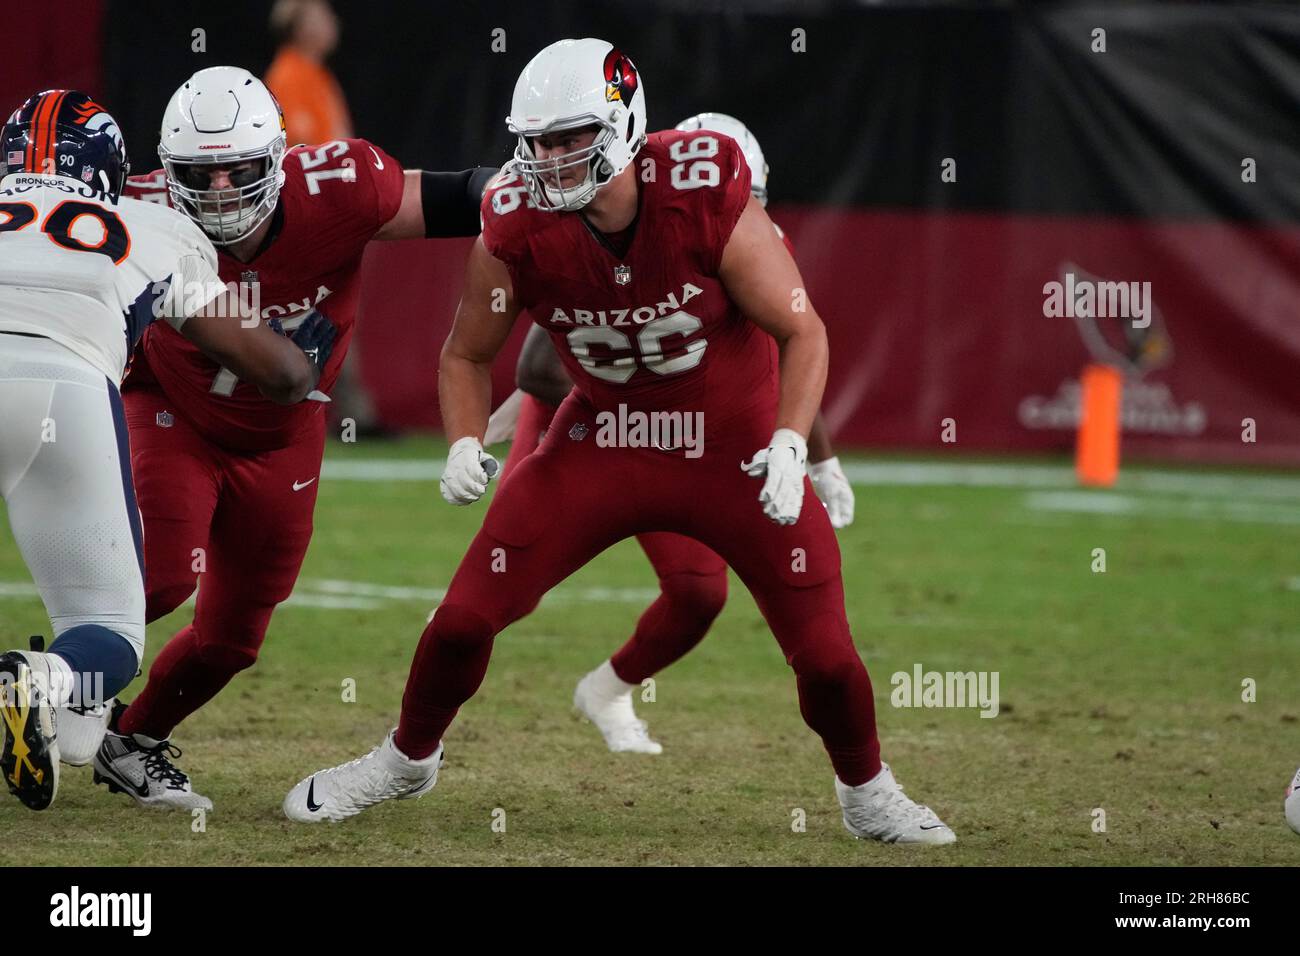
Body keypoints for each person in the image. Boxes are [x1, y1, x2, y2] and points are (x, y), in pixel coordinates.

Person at [284, 38, 955, 845]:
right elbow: (467, 353)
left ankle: (866, 790)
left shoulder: (703, 190)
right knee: (462, 619)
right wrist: (465, 440)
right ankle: (404, 759)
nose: (552, 159)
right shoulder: (516, 217)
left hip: (731, 450)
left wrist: (790, 444)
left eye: (571, 138)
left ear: (624, 124)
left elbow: (802, 331)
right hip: (603, 440)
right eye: (537, 141)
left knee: (825, 657)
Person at [90, 66, 496, 810]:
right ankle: (41, 682)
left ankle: (131, 741)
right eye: (197, 175)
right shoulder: (135, 208)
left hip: (286, 432)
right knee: (164, 577)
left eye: (237, 171)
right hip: (174, 413)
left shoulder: (341, 190)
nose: (217, 193)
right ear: (167, 171)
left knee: (232, 641)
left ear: (276, 159)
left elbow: (464, 197)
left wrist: (535, 195)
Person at [486, 111, 855, 754]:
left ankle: (605, 689)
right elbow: (539, 371)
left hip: (683, 434)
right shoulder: (632, 237)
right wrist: (623, 387)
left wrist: (820, 461)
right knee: (506, 583)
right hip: (598, 422)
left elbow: (784, 363)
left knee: (698, 594)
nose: (741, 218)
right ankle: (430, 696)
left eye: (751, 204)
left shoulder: (750, 244)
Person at [0, 89, 320, 811]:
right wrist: (299, 363)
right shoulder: (144, 226)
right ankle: (44, 681)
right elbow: (280, 372)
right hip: (61, 386)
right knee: (108, 632)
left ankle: (68, 730)